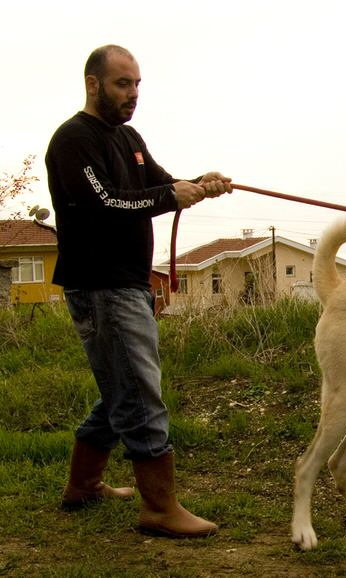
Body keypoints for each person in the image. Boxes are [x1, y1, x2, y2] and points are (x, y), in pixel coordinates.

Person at [45, 44, 231, 538]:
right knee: (139, 393)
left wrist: (198, 184)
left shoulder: (129, 136)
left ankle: (83, 485)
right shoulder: (73, 139)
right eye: (122, 84)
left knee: (121, 388)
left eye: (137, 84)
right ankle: (159, 508)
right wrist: (169, 195)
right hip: (100, 286)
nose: (132, 94)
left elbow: (161, 185)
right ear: (93, 84)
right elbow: (105, 201)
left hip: (128, 283)